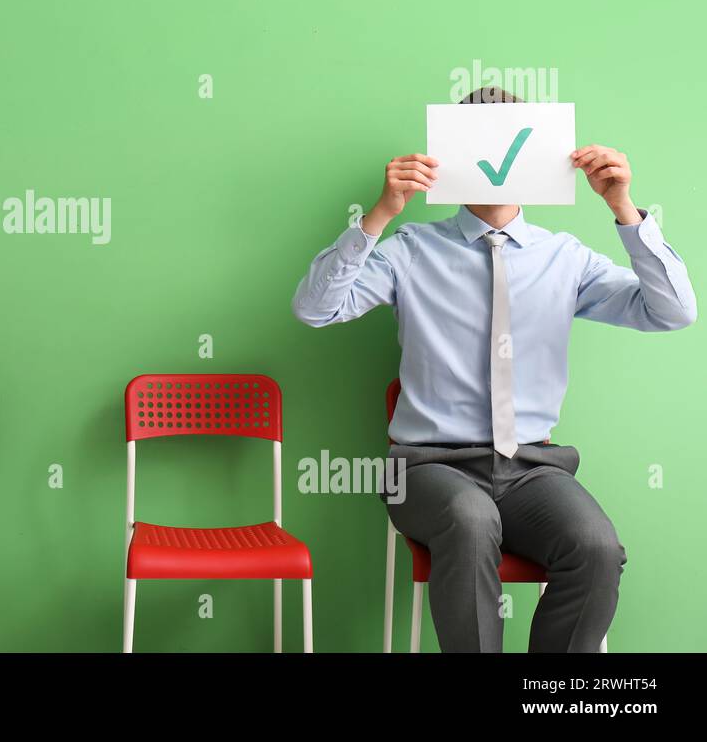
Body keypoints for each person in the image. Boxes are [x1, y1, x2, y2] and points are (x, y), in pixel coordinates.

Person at [290, 86, 697, 652]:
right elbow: (315, 309)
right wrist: (380, 213)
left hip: (532, 467)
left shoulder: (566, 257)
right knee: (471, 518)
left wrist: (623, 209)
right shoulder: (413, 249)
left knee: (597, 548)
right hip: (427, 468)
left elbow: (673, 312)